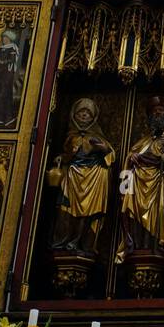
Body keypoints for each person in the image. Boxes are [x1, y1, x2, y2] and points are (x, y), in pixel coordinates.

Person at [116, 96, 164, 260]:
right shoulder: (143, 141)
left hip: (160, 183)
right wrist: (131, 159)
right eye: (154, 113)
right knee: (134, 213)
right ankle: (137, 246)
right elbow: (126, 171)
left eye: (161, 112)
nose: (157, 115)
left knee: (160, 211)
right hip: (138, 186)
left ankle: (157, 245)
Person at [50, 98, 115, 253]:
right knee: (65, 211)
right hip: (72, 177)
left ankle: (80, 242)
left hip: (92, 178)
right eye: (81, 112)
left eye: (88, 113)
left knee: (88, 214)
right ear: (74, 115)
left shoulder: (98, 136)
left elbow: (111, 155)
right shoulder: (71, 136)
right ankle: (62, 241)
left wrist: (103, 148)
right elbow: (68, 154)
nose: (85, 116)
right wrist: (61, 158)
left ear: (94, 117)